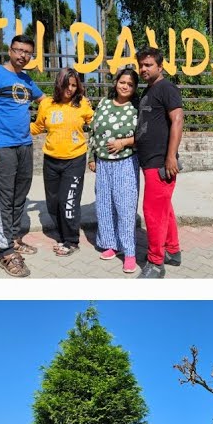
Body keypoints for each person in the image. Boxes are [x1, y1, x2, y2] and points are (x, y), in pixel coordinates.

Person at [0, 35, 44, 277]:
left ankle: (15, 239)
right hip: (2, 146)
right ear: (10, 50)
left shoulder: (26, 79)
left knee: (20, 196)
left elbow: (44, 100)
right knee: (4, 198)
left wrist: (74, 103)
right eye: (18, 50)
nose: (22, 55)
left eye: (27, 52)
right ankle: (6, 252)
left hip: (24, 145)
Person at [134, 47, 185, 279]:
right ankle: (172, 251)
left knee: (152, 211)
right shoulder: (149, 90)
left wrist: (170, 156)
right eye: (141, 65)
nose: (143, 69)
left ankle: (155, 263)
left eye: (148, 65)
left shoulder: (166, 87)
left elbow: (177, 119)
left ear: (160, 67)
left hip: (160, 162)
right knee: (164, 209)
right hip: (150, 161)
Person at [31, 68, 93, 257]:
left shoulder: (81, 103)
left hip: (74, 160)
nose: (71, 89)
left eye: (75, 85)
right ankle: (61, 235)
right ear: (59, 83)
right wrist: (14, 128)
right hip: (51, 160)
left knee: (69, 202)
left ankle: (71, 240)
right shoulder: (47, 105)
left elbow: (96, 122)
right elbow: (37, 127)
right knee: (53, 202)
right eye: (67, 84)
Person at [88, 68, 142, 273]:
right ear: (116, 82)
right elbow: (93, 131)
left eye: (130, 84)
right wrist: (91, 157)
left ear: (134, 88)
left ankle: (129, 252)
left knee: (125, 207)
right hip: (102, 163)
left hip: (125, 162)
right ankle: (111, 244)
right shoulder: (103, 103)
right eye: (122, 82)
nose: (125, 86)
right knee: (104, 205)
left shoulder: (137, 107)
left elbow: (145, 135)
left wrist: (124, 143)